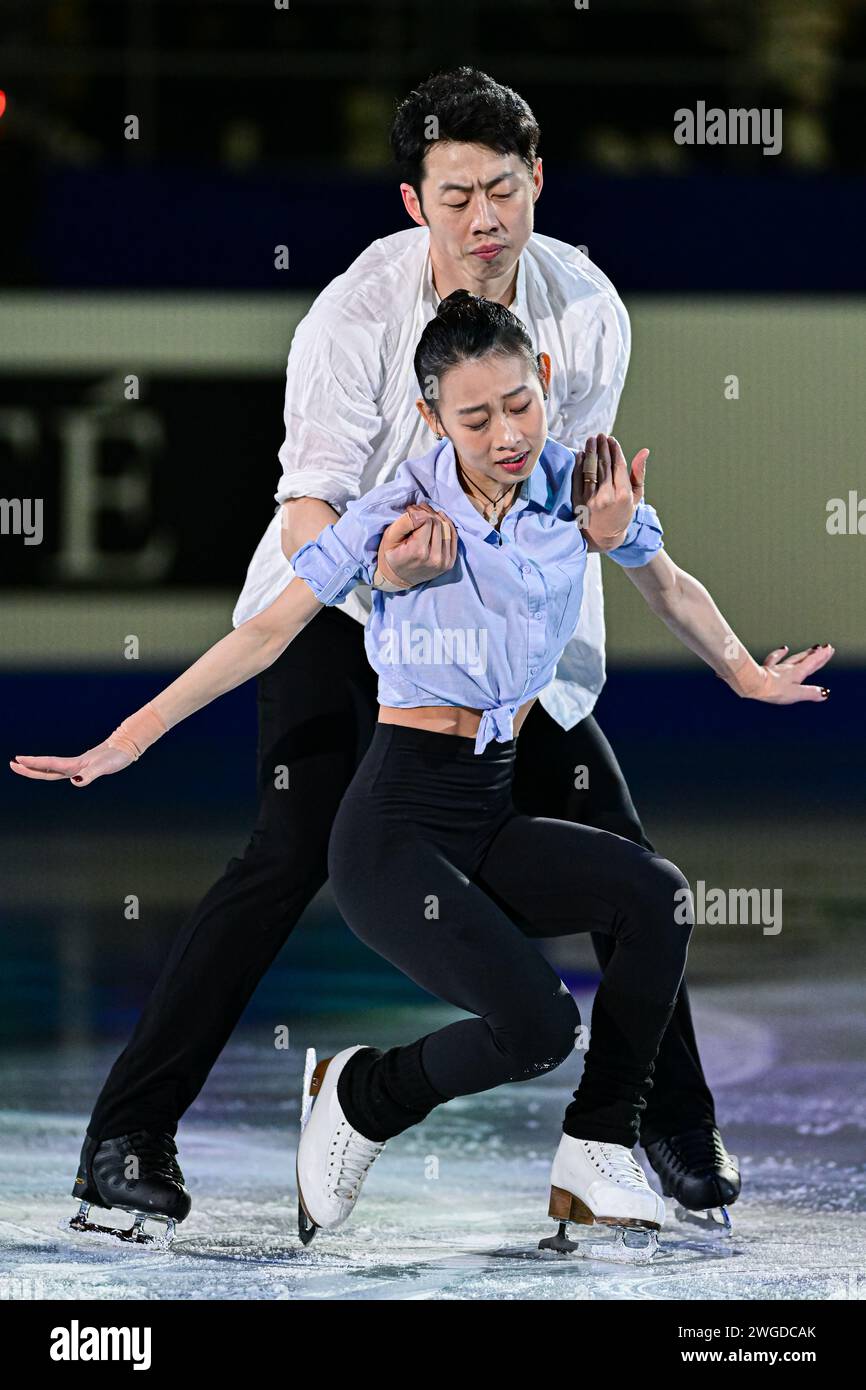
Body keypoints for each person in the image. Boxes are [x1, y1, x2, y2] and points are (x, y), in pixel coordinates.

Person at [11, 68, 833, 1241]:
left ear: (537, 179)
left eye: (504, 188)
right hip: (349, 608)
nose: (484, 220)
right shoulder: (351, 318)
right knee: (290, 847)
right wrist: (374, 580)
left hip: (491, 633)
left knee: (618, 846)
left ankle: (657, 1124)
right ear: (413, 201)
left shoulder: (585, 310)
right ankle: (125, 1140)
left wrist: (661, 589)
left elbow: (576, 500)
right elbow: (309, 516)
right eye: (456, 196)